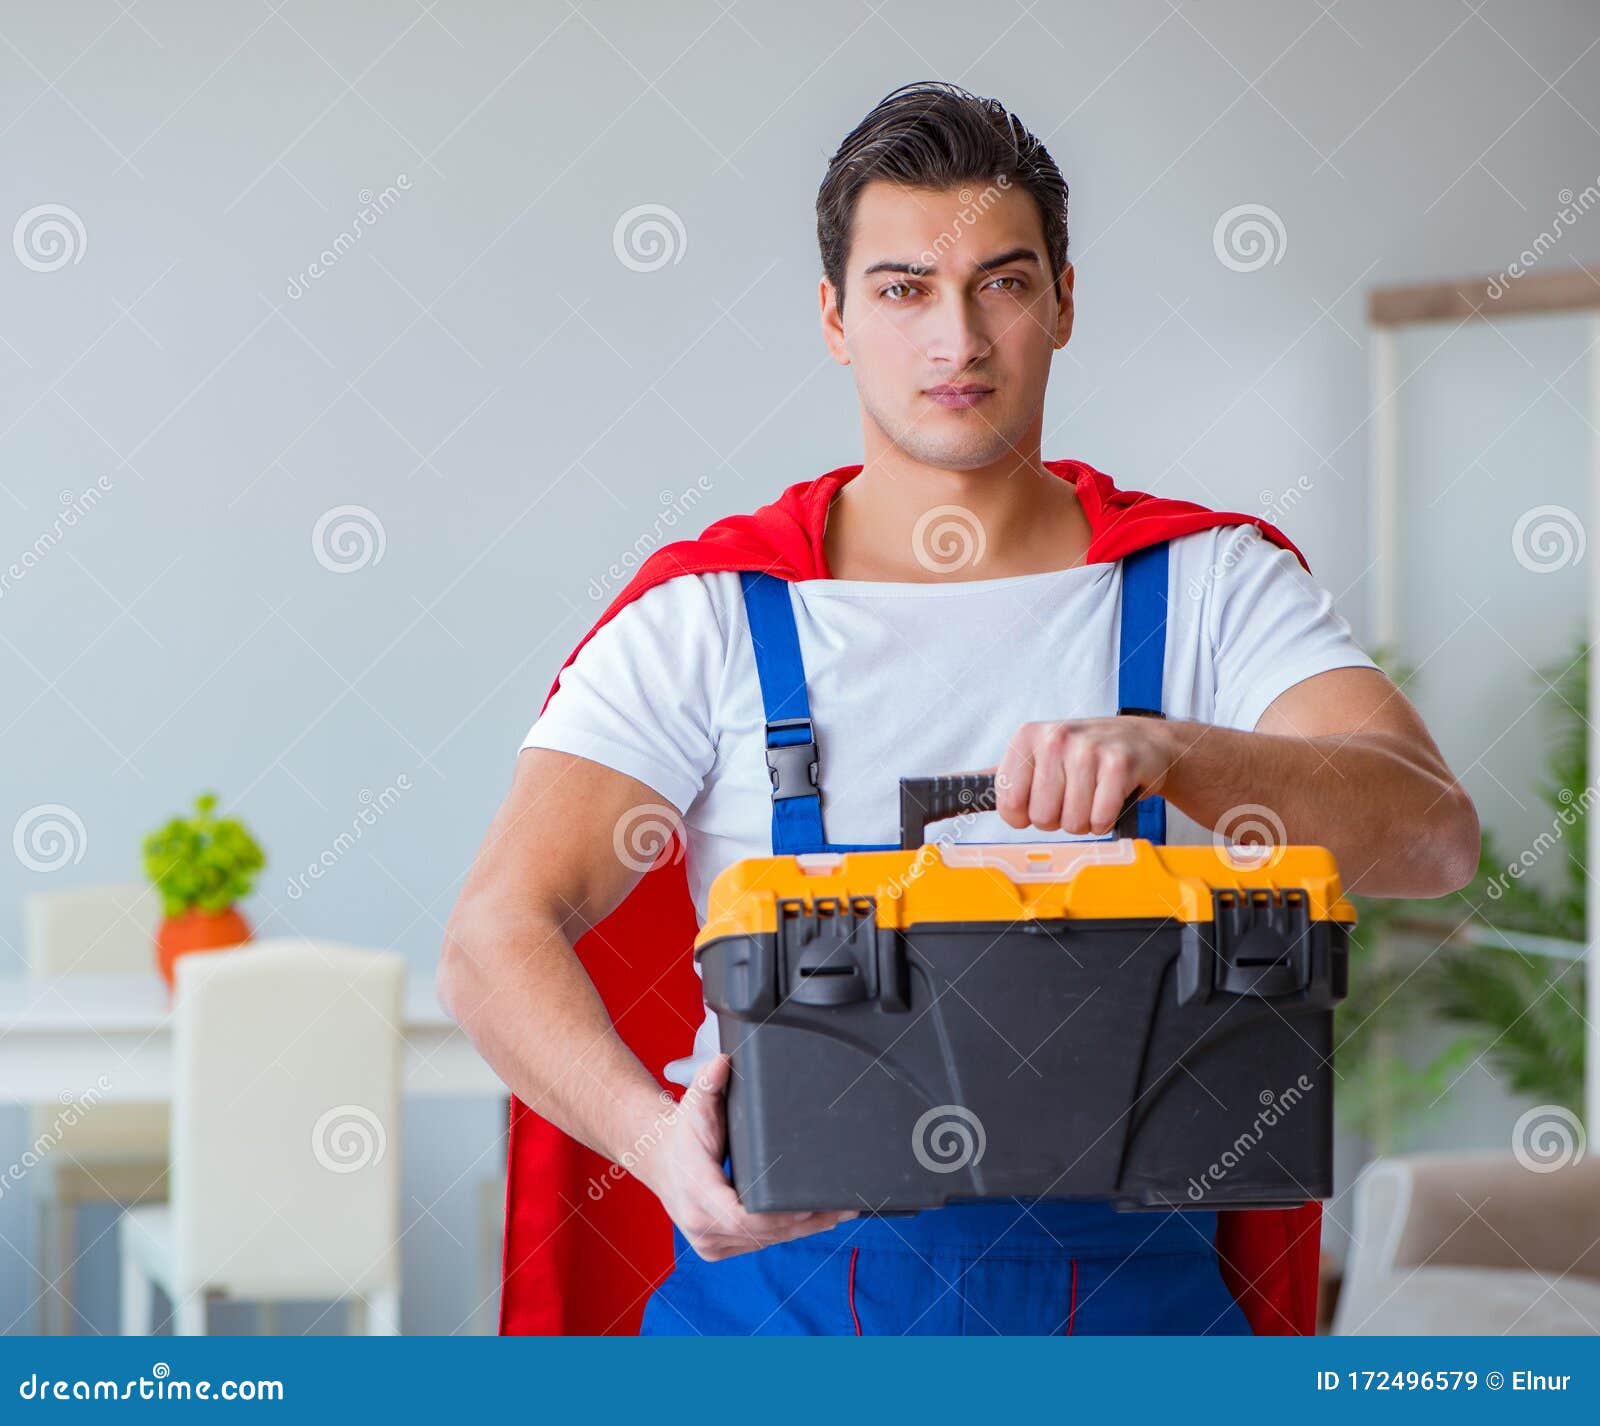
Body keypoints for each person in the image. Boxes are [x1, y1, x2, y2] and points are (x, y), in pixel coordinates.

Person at [440, 80, 1479, 1336]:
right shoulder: (711, 617)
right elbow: (494, 934)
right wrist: (658, 1149)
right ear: (833, 317)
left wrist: (1176, 751)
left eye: (1001, 281)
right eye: (902, 290)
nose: (957, 340)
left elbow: (1434, 839)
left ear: (1062, 302)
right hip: (778, 1315)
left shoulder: (1210, 588)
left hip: (1134, 1317)